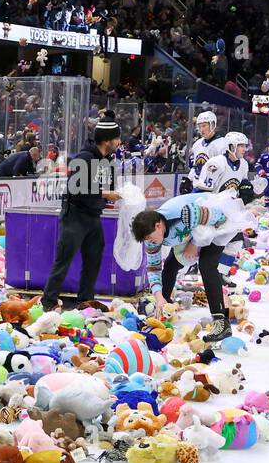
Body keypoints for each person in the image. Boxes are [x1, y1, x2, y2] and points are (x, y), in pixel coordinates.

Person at [39, 112, 122, 312]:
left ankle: (85, 299)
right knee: (64, 260)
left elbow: (104, 188)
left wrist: (113, 195)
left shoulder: (107, 161)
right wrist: (105, 194)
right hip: (75, 216)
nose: (120, 142)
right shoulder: (83, 158)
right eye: (117, 138)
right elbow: (77, 190)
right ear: (106, 140)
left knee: (93, 260)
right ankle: (48, 302)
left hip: (93, 217)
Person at [131, 192, 234, 343]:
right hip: (192, 232)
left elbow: (221, 218)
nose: (150, 242)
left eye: (150, 238)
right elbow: (153, 267)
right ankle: (164, 310)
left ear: (158, 226)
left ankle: (221, 322)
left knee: (206, 265)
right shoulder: (151, 235)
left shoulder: (185, 213)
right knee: (171, 265)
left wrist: (195, 243)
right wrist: (158, 297)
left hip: (218, 224)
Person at [186, 110, 225, 191]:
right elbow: (194, 166)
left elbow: (224, 170)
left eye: (204, 126)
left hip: (213, 190)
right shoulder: (197, 144)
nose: (201, 129)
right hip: (197, 187)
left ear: (213, 125)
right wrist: (189, 180)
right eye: (199, 126)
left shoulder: (222, 144)